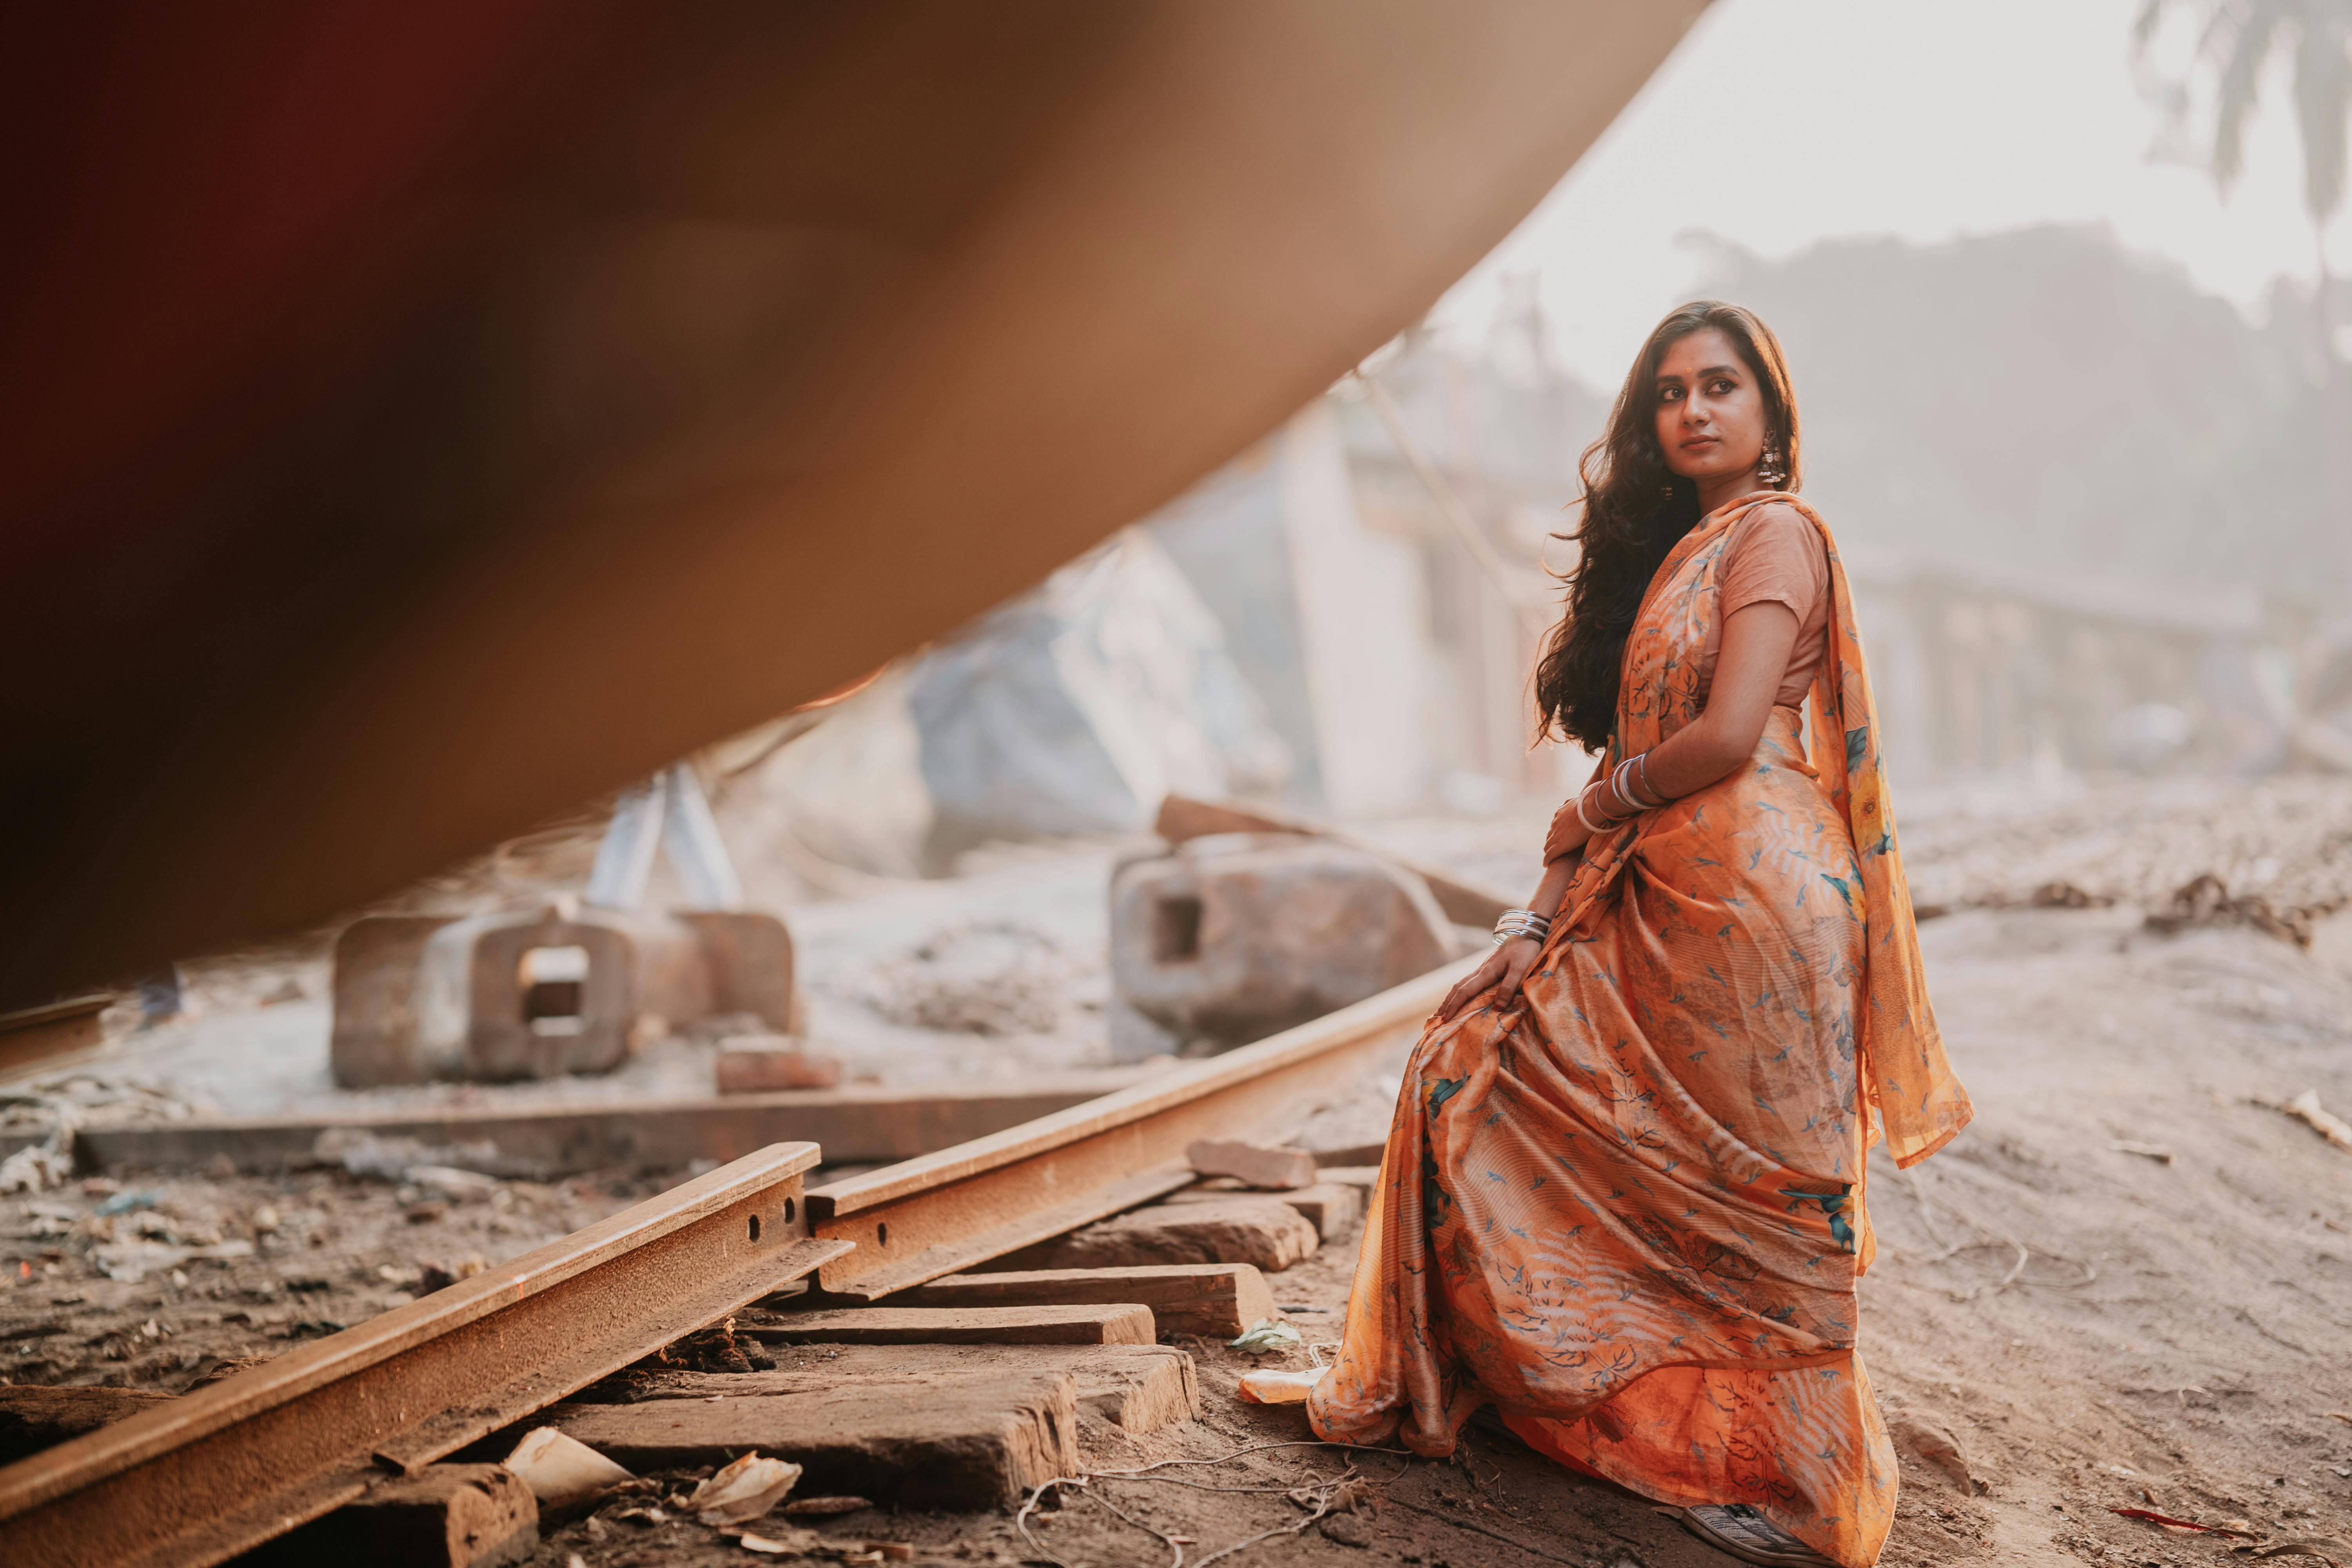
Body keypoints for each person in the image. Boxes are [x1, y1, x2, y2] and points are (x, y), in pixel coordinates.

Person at [1306, 301, 1973, 1568]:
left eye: (1723, 386)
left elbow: (1721, 740)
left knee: (1755, 1205)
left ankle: (1796, 1487)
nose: (1695, 410)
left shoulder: (1776, 535)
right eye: (1670, 393)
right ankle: (1609, 1412)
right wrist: (1532, 921)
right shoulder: (1677, 553)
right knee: (1469, 1065)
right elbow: (1624, 772)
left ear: (1773, 412)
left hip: (1762, 915)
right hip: (1654, 888)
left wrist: (1595, 803)